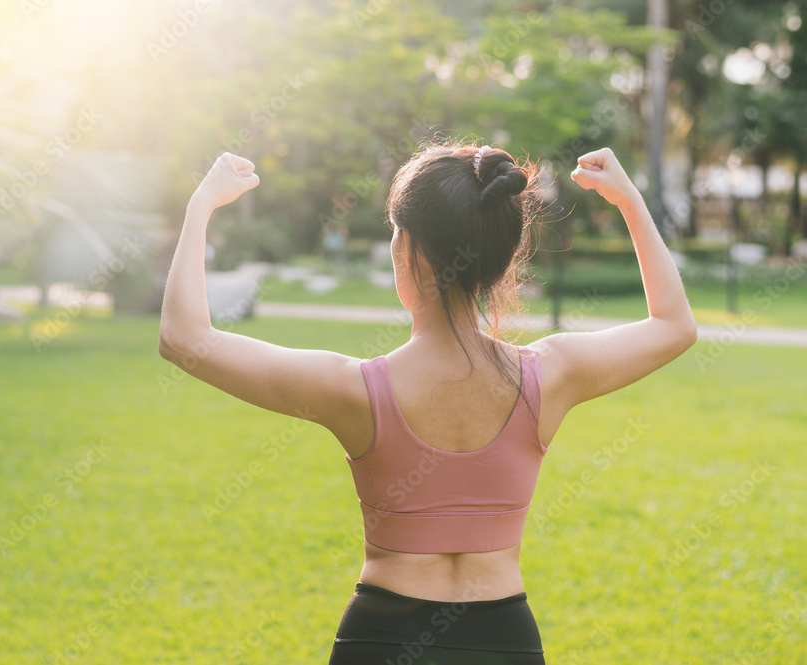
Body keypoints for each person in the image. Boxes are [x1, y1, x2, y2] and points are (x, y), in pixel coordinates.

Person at [159, 142, 697, 664]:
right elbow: (674, 326)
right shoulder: (551, 375)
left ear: (406, 249)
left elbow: (183, 338)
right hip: (504, 640)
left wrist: (200, 204)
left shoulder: (352, 389)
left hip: (381, 638)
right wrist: (629, 200)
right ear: (501, 257)